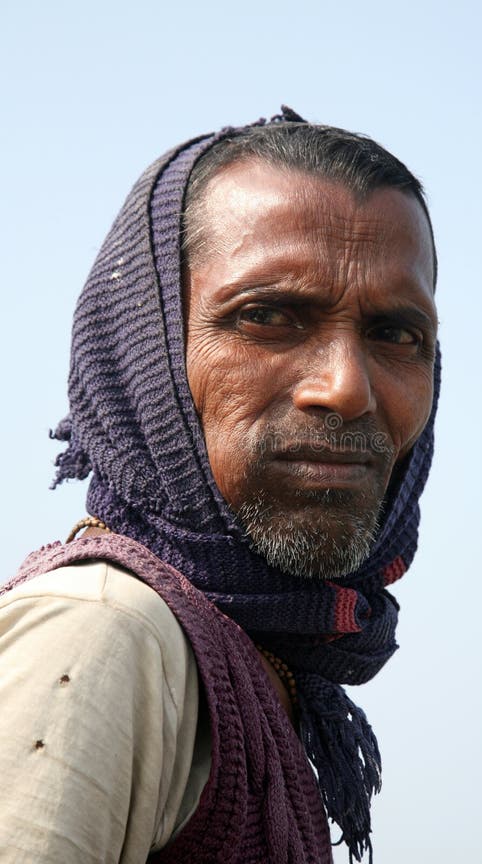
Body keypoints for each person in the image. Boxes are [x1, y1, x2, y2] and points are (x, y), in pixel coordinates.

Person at [0, 107, 440, 863]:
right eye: (268, 316)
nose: (346, 388)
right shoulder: (103, 637)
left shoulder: (253, 665)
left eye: (395, 334)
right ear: (147, 356)